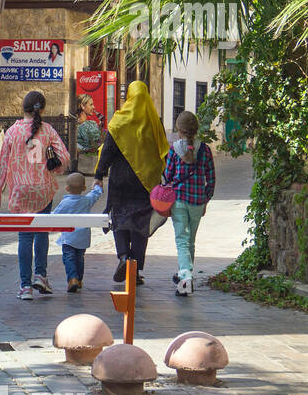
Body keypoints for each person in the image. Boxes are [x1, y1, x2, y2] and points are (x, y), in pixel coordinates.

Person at [0, 90, 70, 299]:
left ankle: (25, 286)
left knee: (25, 236)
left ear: (22, 109)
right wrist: (55, 169)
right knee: (42, 231)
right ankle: (41, 276)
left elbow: (2, 167)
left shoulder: (12, 133)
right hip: (43, 189)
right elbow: (64, 157)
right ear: (42, 109)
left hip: (19, 191)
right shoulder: (48, 131)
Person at [93, 79, 168, 286]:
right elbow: (163, 149)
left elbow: (107, 150)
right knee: (141, 224)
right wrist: (168, 176)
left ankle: (124, 258)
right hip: (145, 182)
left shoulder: (119, 121)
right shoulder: (154, 121)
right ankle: (133, 268)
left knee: (119, 219)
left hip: (120, 181)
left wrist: (99, 175)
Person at [164, 110, 216, 296]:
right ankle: (183, 274)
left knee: (182, 240)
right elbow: (211, 178)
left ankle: (185, 278)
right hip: (197, 201)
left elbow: (168, 175)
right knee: (190, 241)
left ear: (179, 129)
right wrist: (206, 200)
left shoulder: (174, 149)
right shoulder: (205, 150)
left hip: (178, 200)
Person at [53, 172, 103, 292]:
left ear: (66, 188)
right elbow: (96, 194)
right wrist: (97, 185)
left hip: (69, 238)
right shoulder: (87, 200)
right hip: (83, 238)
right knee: (80, 258)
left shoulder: (64, 203)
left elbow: (55, 216)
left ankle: (72, 279)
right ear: (84, 188)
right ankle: (79, 279)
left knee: (69, 258)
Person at [74, 93, 103, 175]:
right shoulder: (90, 124)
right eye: (91, 105)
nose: (94, 107)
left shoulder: (74, 124)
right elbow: (96, 144)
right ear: (83, 106)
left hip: (80, 162)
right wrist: (101, 129)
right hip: (91, 163)